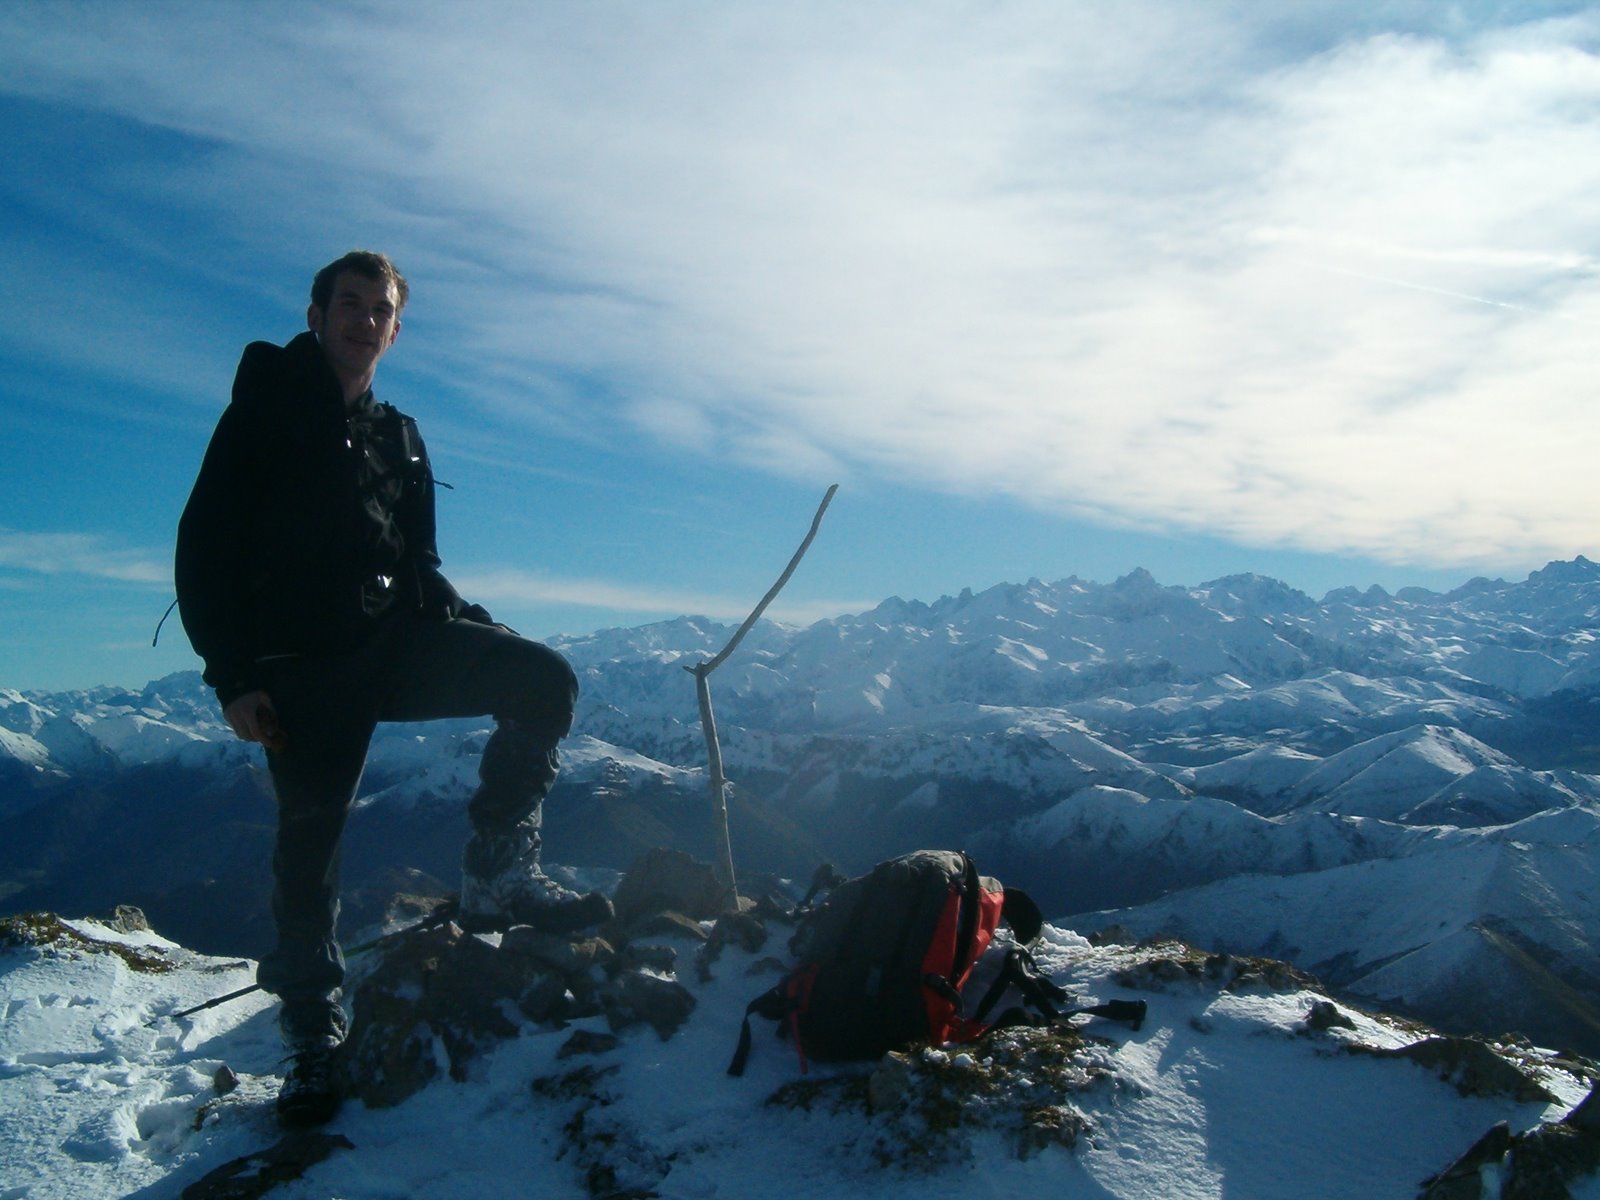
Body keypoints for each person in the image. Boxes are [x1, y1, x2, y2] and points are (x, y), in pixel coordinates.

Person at [174, 250, 610, 1128]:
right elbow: (204, 545)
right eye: (349, 303)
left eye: (381, 310)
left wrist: (480, 631)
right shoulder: (264, 408)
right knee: (311, 843)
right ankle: (307, 1025)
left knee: (544, 680)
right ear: (315, 314)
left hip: (394, 642)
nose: (364, 320)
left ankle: (498, 874)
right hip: (302, 667)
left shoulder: (397, 435)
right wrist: (233, 678)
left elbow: (420, 567)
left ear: (396, 330)